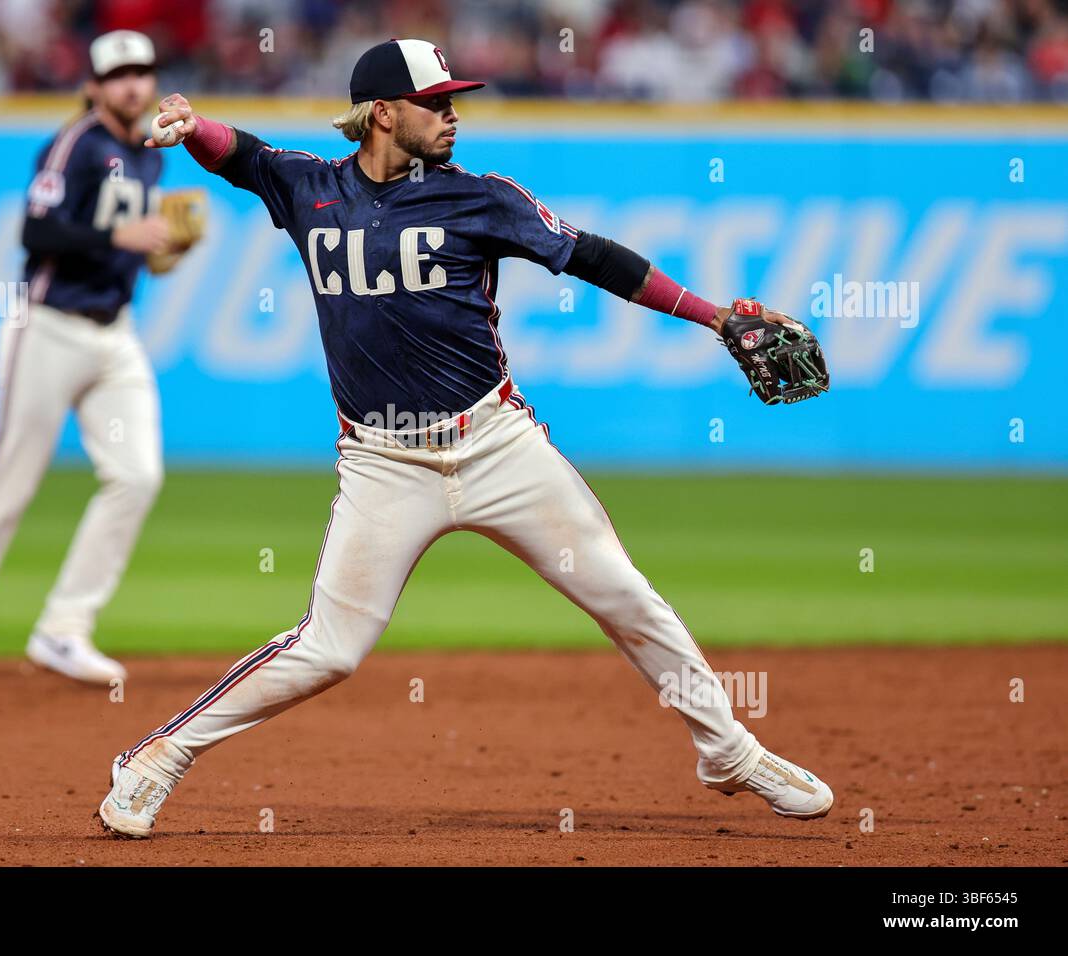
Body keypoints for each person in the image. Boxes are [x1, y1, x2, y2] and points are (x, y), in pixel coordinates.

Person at [99, 38, 833, 837]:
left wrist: (716, 314)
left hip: (496, 447)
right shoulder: (310, 187)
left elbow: (594, 258)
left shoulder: (480, 198)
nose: (452, 115)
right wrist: (193, 123)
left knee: (626, 597)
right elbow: (244, 157)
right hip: (383, 463)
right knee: (331, 650)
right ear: (383, 113)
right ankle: (158, 758)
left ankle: (727, 749)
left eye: (454, 100)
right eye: (435, 101)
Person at [0, 31, 173, 691]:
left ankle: (63, 628)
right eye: (118, 74)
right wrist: (117, 234)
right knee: (10, 487)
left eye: (142, 72)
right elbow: (35, 230)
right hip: (48, 327)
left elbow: (130, 248)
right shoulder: (77, 143)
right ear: (92, 86)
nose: (132, 84)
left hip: (114, 334)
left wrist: (160, 250)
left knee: (138, 475)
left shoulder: (149, 155)